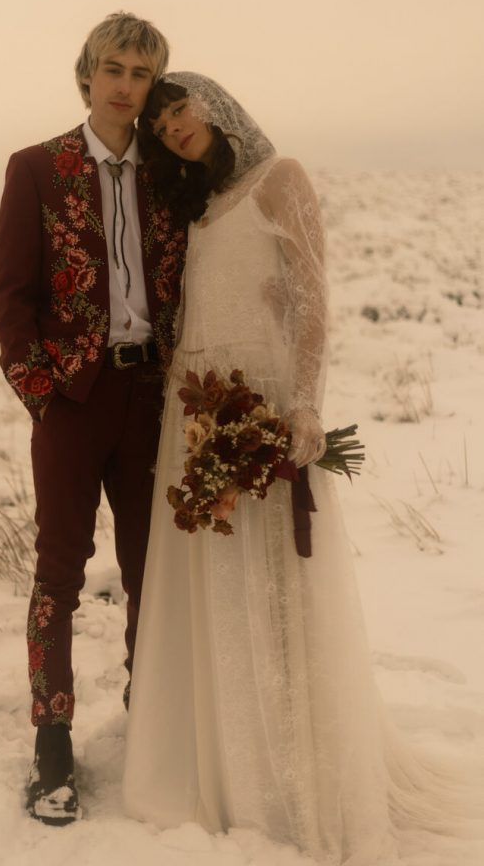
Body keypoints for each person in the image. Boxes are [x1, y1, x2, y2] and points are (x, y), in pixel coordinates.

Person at [122, 73, 481, 864]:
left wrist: (306, 405)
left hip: (265, 401)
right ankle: (230, 760)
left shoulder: (278, 178)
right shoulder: (200, 206)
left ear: (213, 103)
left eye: (180, 105)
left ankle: (295, 772)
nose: (174, 124)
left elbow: (313, 297)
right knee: (218, 583)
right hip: (201, 405)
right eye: (160, 120)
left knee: (281, 587)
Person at [0, 14, 186, 825]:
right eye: (112, 68)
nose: (124, 85)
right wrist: (42, 392)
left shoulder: (170, 175)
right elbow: (11, 294)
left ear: (154, 85)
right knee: (59, 571)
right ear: (86, 73)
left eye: (141, 73)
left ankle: (151, 717)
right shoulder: (37, 167)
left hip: (152, 401)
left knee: (153, 571)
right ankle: (52, 737)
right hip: (72, 400)